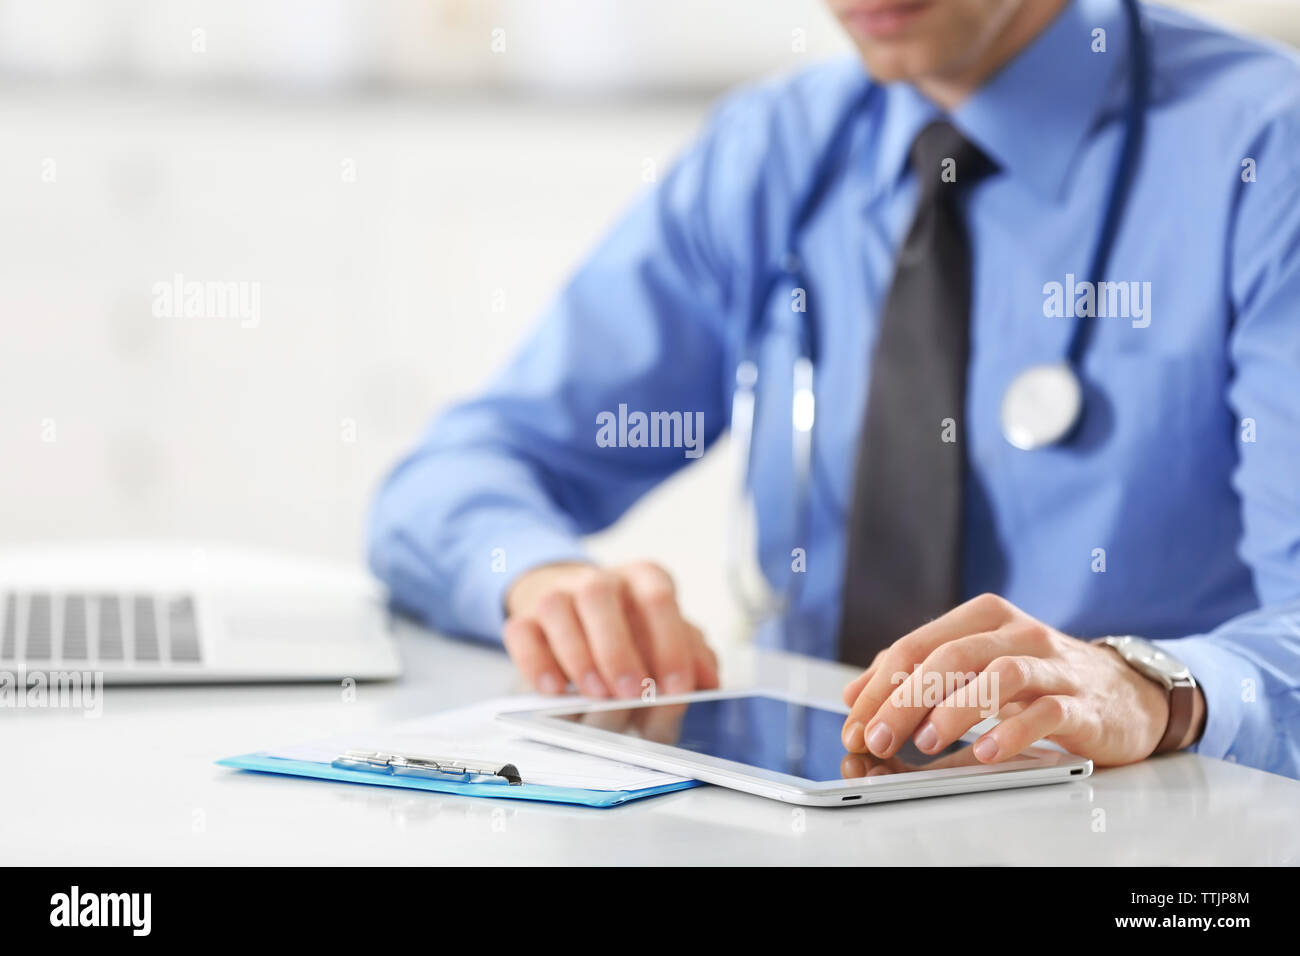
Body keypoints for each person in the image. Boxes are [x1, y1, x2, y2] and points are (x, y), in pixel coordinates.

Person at [368, 0, 1300, 779]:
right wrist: (540, 577)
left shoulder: (1266, 151)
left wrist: (1153, 687)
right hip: (805, 811)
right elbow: (450, 479)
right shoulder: (775, 150)